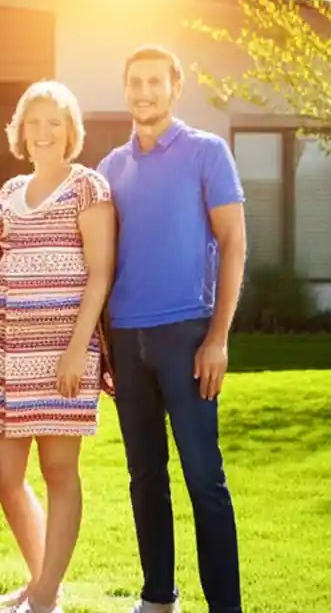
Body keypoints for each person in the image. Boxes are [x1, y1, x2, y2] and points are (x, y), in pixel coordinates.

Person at [97, 45, 247, 613]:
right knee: (144, 475)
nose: (143, 92)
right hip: (128, 340)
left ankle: (224, 607)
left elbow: (234, 244)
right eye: (134, 82)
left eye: (154, 82)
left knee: (204, 478)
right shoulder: (111, 168)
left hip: (187, 335)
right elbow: (103, 262)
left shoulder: (207, 153)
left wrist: (218, 338)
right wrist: (106, 345)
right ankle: (158, 597)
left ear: (174, 87)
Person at [0, 80, 116, 613]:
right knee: (2, 473)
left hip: (64, 351)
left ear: (70, 132)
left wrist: (76, 351)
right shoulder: (9, 192)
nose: (43, 133)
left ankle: (42, 598)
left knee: (59, 472)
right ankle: (44, 584)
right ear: (20, 130)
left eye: (54, 124)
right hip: (7, 349)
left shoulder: (89, 187)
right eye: (34, 123)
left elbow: (100, 273)